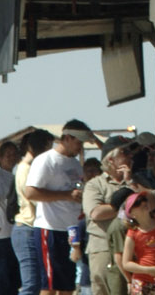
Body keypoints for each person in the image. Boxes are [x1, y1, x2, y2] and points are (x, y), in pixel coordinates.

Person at [26, 119, 101, 295]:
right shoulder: (46, 160)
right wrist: (65, 195)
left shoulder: (74, 163)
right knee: (50, 285)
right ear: (66, 138)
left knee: (67, 284)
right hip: (50, 228)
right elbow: (30, 193)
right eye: (78, 142)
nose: (80, 147)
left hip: (71, 230)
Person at [84, 137, 134, 295]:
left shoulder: (136, 181)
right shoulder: (95, 185)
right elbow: (96, 213)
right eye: (124, 152)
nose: (130, 156)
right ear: (111, 159)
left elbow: (152, 202)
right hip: (104, 247)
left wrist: (130, 183)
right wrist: (126, 206)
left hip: (134, 246)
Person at [13, 130, 56, 295]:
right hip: (26, 228)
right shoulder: (25, 169)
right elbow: (35, 198)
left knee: (39, 283)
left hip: (34, 229)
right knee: (30, 285)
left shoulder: (32, 168)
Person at [0, 141, 24, 295]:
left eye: (14, 155)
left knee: (13, 275)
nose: (11, 158)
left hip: (14, 231)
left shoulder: (15, 176)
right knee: (3, 275)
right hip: (4, 232)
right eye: (7, 155)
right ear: (0, 158)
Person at [120, 193, 155, 295]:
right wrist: (147, 270)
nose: (143, 203)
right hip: (141, 282)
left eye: (144, 199)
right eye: (137, 203)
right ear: (131, 213)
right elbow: (126, 264)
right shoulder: (133, 233)